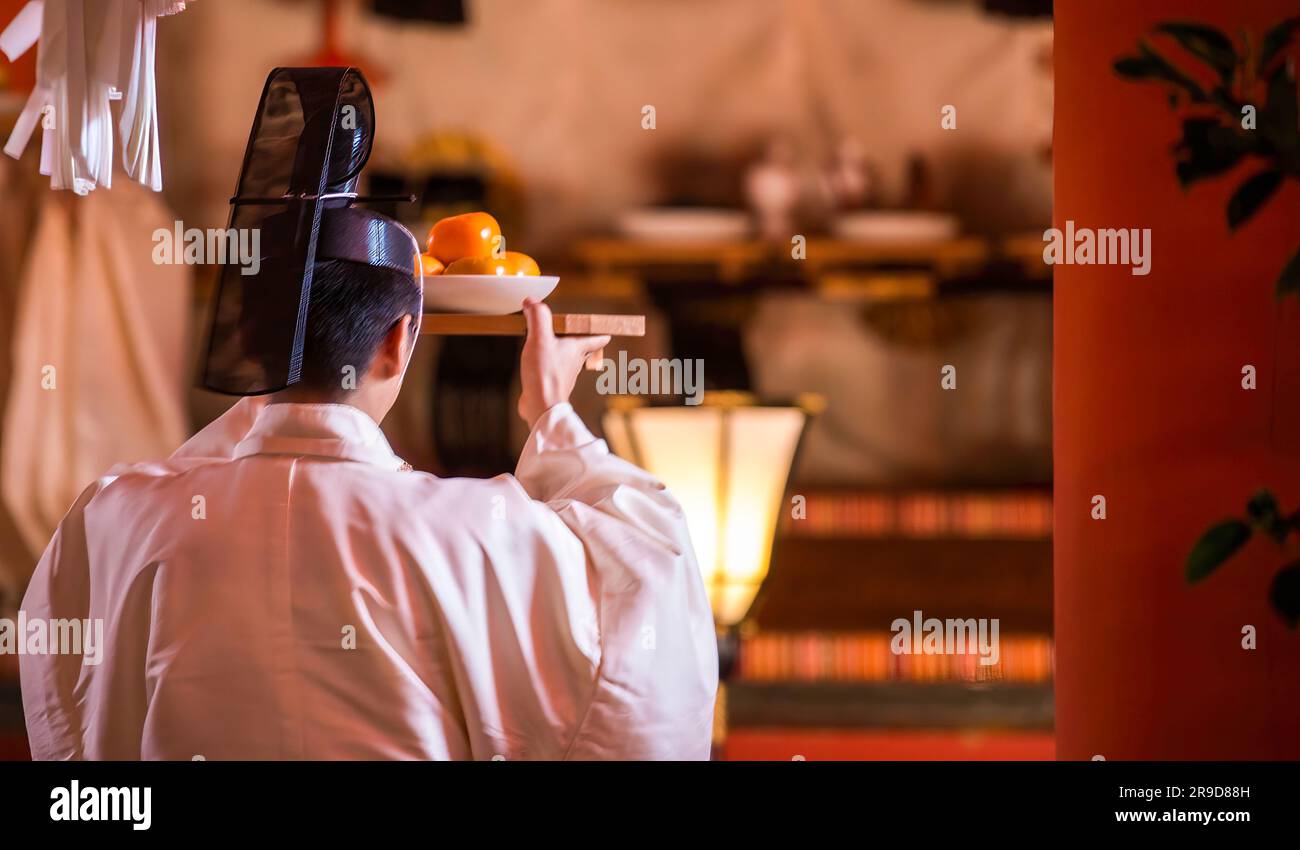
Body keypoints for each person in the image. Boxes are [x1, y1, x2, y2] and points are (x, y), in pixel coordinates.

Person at [18, 67, 716, 760]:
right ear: (397, 341)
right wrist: (554, 418)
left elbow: (69, 713)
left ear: (251, 339)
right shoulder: (475, 532)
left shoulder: (115, 519)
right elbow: (641, 619)